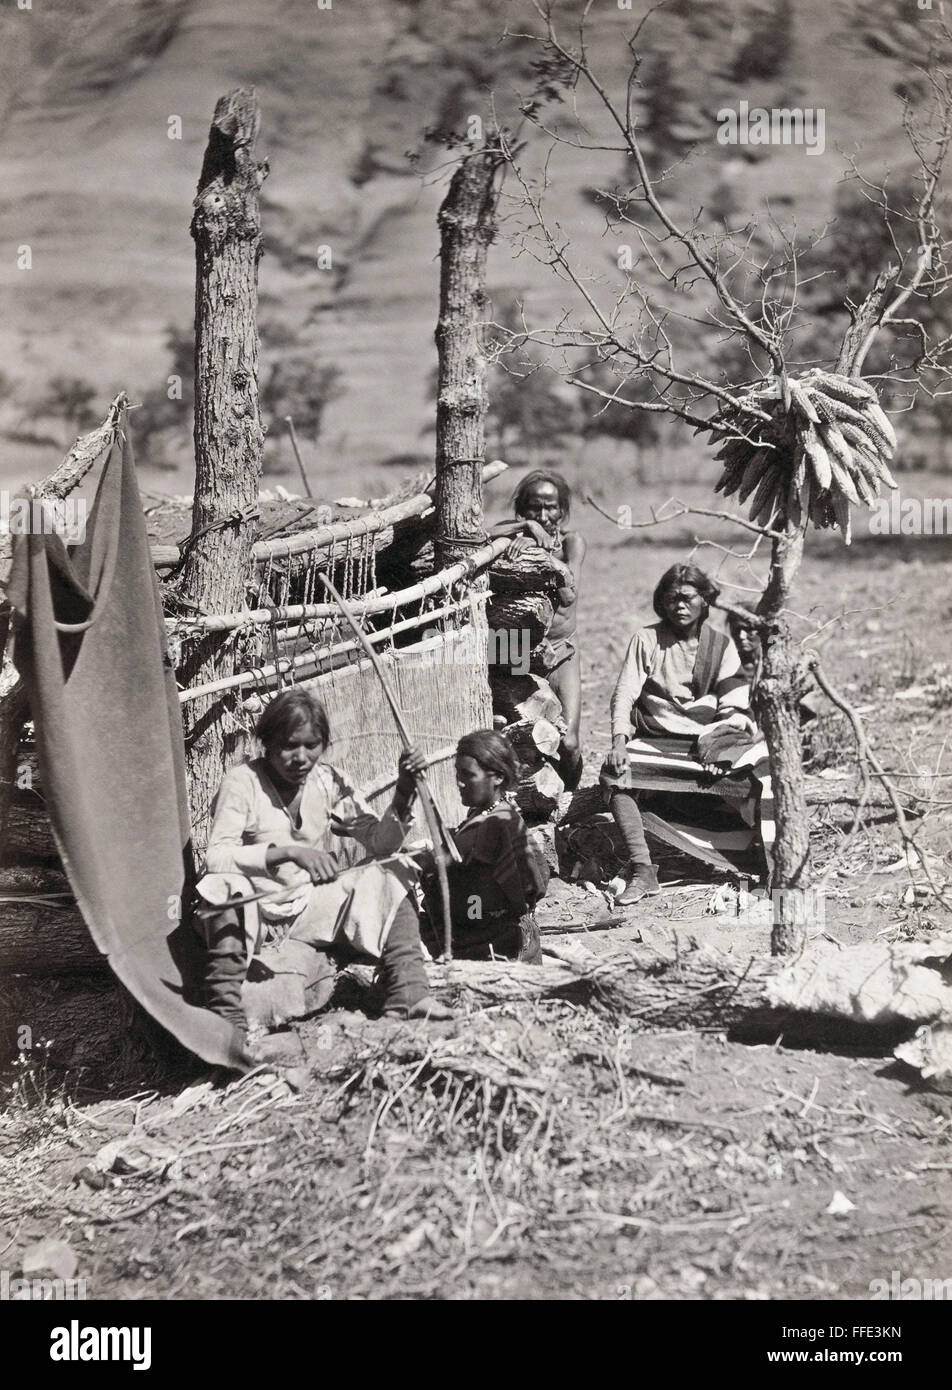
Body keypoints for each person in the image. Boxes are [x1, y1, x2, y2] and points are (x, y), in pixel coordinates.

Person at [195, 688, 451, 1041]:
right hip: (254, 917)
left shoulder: (326, 780)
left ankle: (408, 993)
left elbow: (381, 842)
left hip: (305, 908)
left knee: (391, 870)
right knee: (220, 887)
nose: (300, 758)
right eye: (289, 745)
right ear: (266, 743)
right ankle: (228, 1024)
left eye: (311, 745)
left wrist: (404, 791)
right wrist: (287, 852)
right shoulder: (242, 783)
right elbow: (217, 856)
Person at [603, 564, 754, 905]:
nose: (678, 606)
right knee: (615, 775)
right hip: (655, 739)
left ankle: (746, 859)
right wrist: (619, 743)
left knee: (756, 780)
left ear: (705, 601)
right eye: (670, 599)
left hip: (706, 743)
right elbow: (625, 692)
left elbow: (734, 707)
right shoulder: (647, 640)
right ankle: (644, 869)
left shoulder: (721, 647)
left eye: (687, 598)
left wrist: (723, 750)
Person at [491, 470, 586, 790]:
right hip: (515, 650)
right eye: (534, 509)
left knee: (568, 741)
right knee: (519, 735)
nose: (543, 516)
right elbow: (478, 535)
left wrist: (542, 557)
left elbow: (569, 592)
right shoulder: (513, 540)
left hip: (561, 651)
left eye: (551, 507)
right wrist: (524, 530)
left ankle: (571, 801)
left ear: (563, 510)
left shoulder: (572, 544)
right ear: (521, 509)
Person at [418, 730, 548, 961]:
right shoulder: (499, 812)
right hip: (513, 933)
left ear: (497, 777)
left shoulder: (491, 825)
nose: (459, 782)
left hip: (491, 944)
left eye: (468, 775)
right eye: (458, 773)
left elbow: (442, 863)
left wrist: (424, 860)